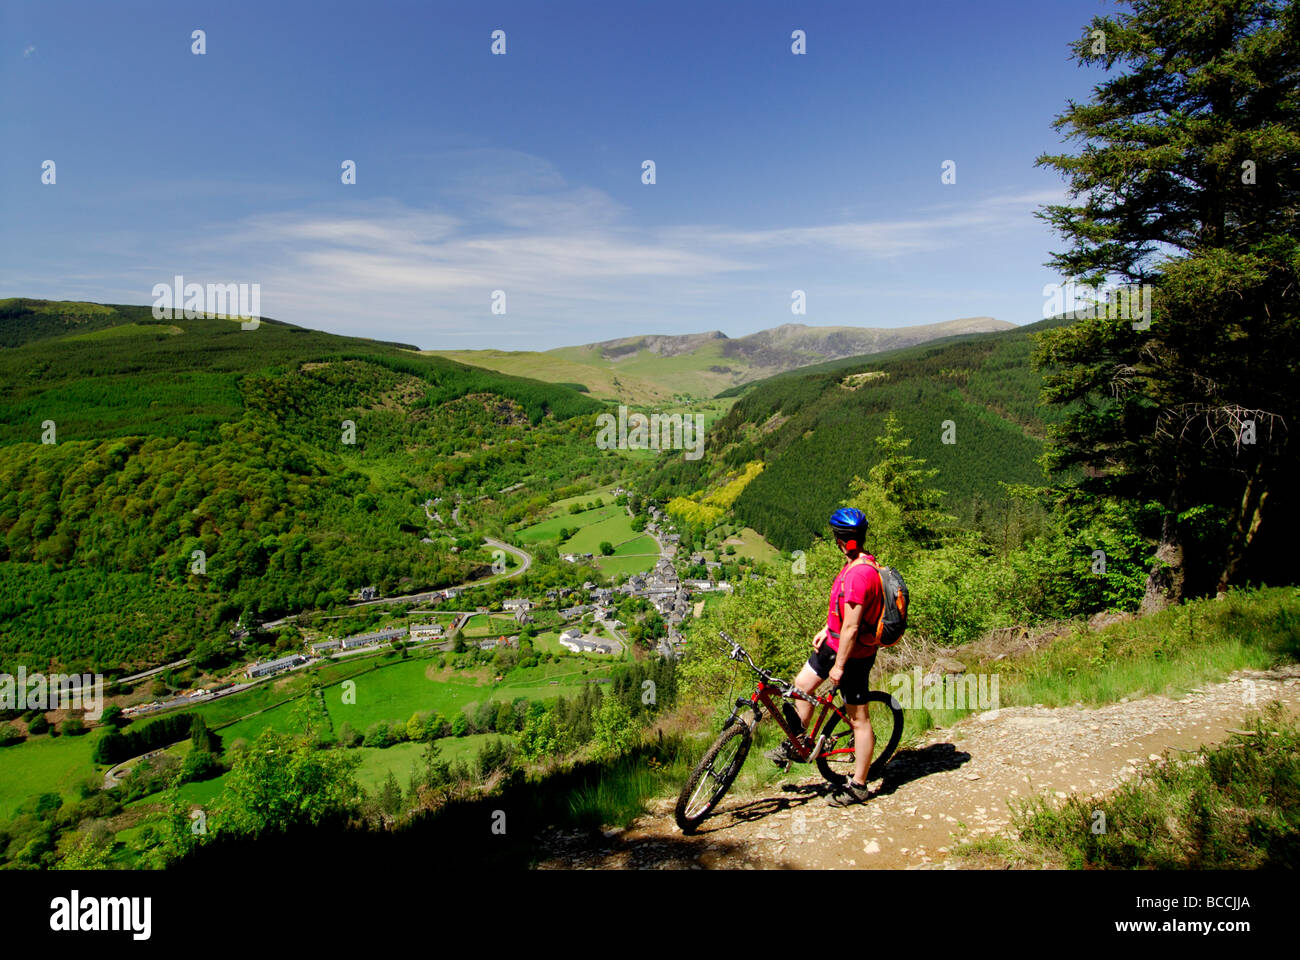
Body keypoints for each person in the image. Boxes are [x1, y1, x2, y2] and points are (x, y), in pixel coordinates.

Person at [765, 507, 884, 805]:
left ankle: (858, 785)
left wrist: (840, 666)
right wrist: (825, 628)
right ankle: (798, 743)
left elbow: (854, 625)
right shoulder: (858, 562)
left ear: (841, 540)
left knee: (859, 719)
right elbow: (845, 613)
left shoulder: (860, 574)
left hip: (853, 655)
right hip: (832, 643)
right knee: (801, 688)